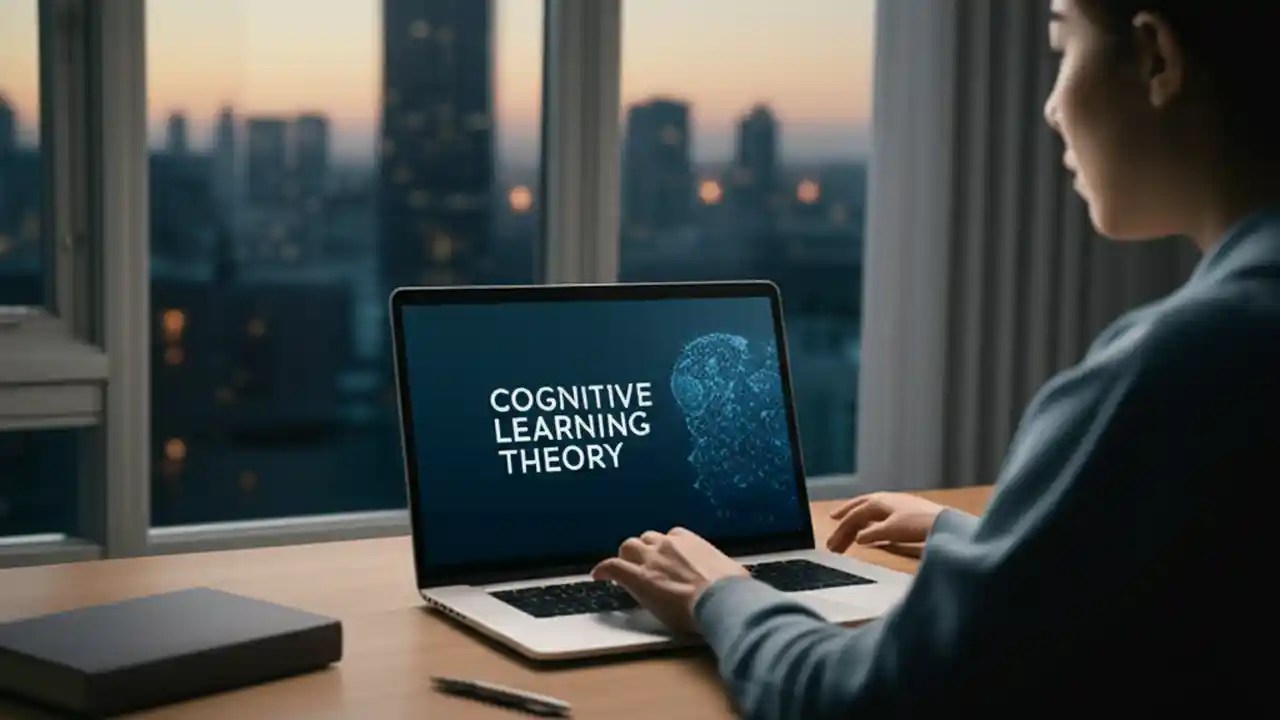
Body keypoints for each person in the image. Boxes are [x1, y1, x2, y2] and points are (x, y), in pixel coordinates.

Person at [591, 0, 1280, 716]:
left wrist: (719, 594)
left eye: (1062, 46)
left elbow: (873, 700)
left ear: (1156, 58)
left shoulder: (1183, 370)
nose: (1051, 108)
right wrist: (995, 543)